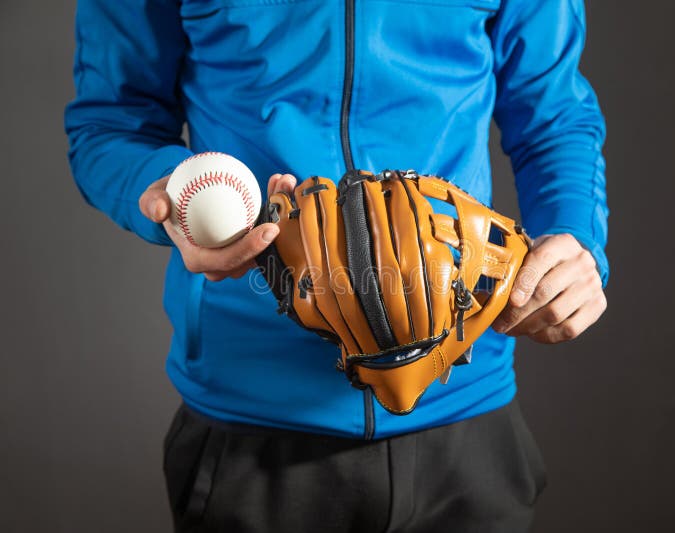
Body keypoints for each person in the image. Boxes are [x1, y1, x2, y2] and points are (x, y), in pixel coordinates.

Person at [65, 0, 608, 531]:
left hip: (466, 405)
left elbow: (555, 114)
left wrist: (573, 233)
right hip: (253, 420)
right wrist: (166, 193)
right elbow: (110, 123)